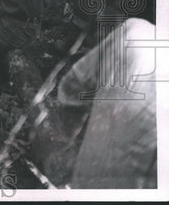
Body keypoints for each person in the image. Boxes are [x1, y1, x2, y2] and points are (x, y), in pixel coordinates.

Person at [57, 18, 157, 188]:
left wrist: (67, 145)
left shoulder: (136, 33)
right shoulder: (136, 34)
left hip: (84, 185)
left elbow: (71, 89)